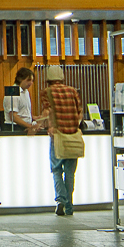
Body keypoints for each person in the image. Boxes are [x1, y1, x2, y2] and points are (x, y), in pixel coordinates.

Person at [39, 66, 83, 216]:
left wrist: (47, 125)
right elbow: (80, 113)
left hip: (57, 136)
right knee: (70, 173)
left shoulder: (47, 92)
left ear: (48, 79)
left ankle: (61, 200)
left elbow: (48, 111)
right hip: (73, 136)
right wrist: (74, 126)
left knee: (57, 170)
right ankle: (69, 207)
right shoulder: (72, 91)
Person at [3, 67, 39, 133]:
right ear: (20, 79)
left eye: (32, 81)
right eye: (28, 80)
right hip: (14, 128)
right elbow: (13, 117)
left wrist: (34, 118)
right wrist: (30, 126)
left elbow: (23, 112)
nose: (31, 83)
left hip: (24, 126)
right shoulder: (13, 93)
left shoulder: (26, 92)